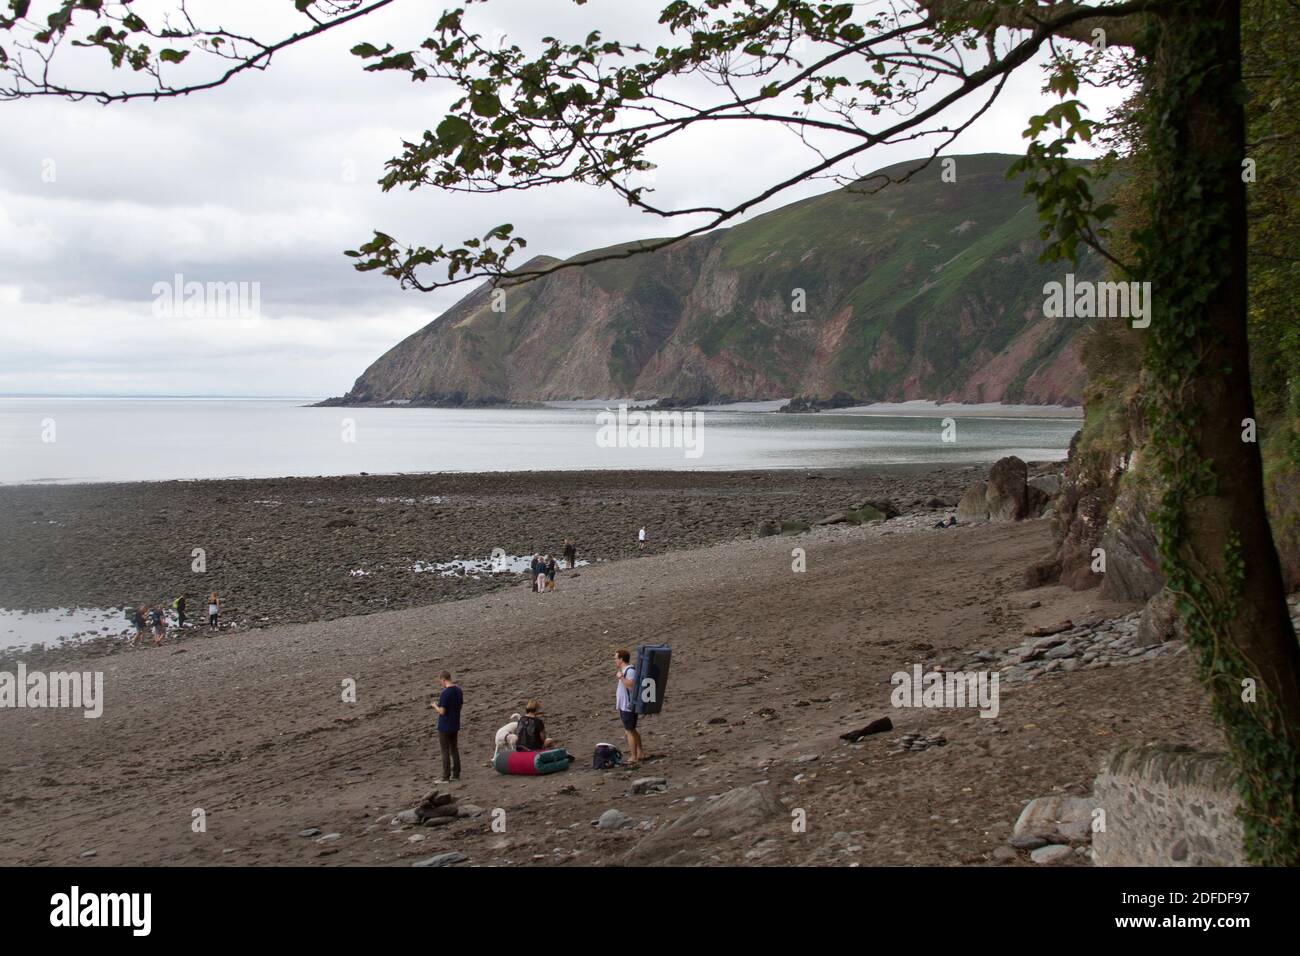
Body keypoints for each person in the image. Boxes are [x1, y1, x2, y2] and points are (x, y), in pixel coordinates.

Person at [429, 671, 463, 782]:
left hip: (445, 725)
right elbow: (460, 706)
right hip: (455, 723)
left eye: (441, 682)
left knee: (445, 750)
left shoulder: (445, 693)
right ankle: (456, 775)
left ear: (443, 680)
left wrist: (435, 706)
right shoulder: (458, 690)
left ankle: (445, 777)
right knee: (454, 749)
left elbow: (442, 711)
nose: (441, 684)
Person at [615, 648, 644, 765]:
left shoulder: (629, 670)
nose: (615, 661)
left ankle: (634, 756)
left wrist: (621, 678)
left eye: (616, 658)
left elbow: (631, 686)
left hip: (628, 705)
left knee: (629, 731)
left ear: (621, 659)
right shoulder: (624, 670)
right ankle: (640, 753)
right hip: (624, 705)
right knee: (632, 730)